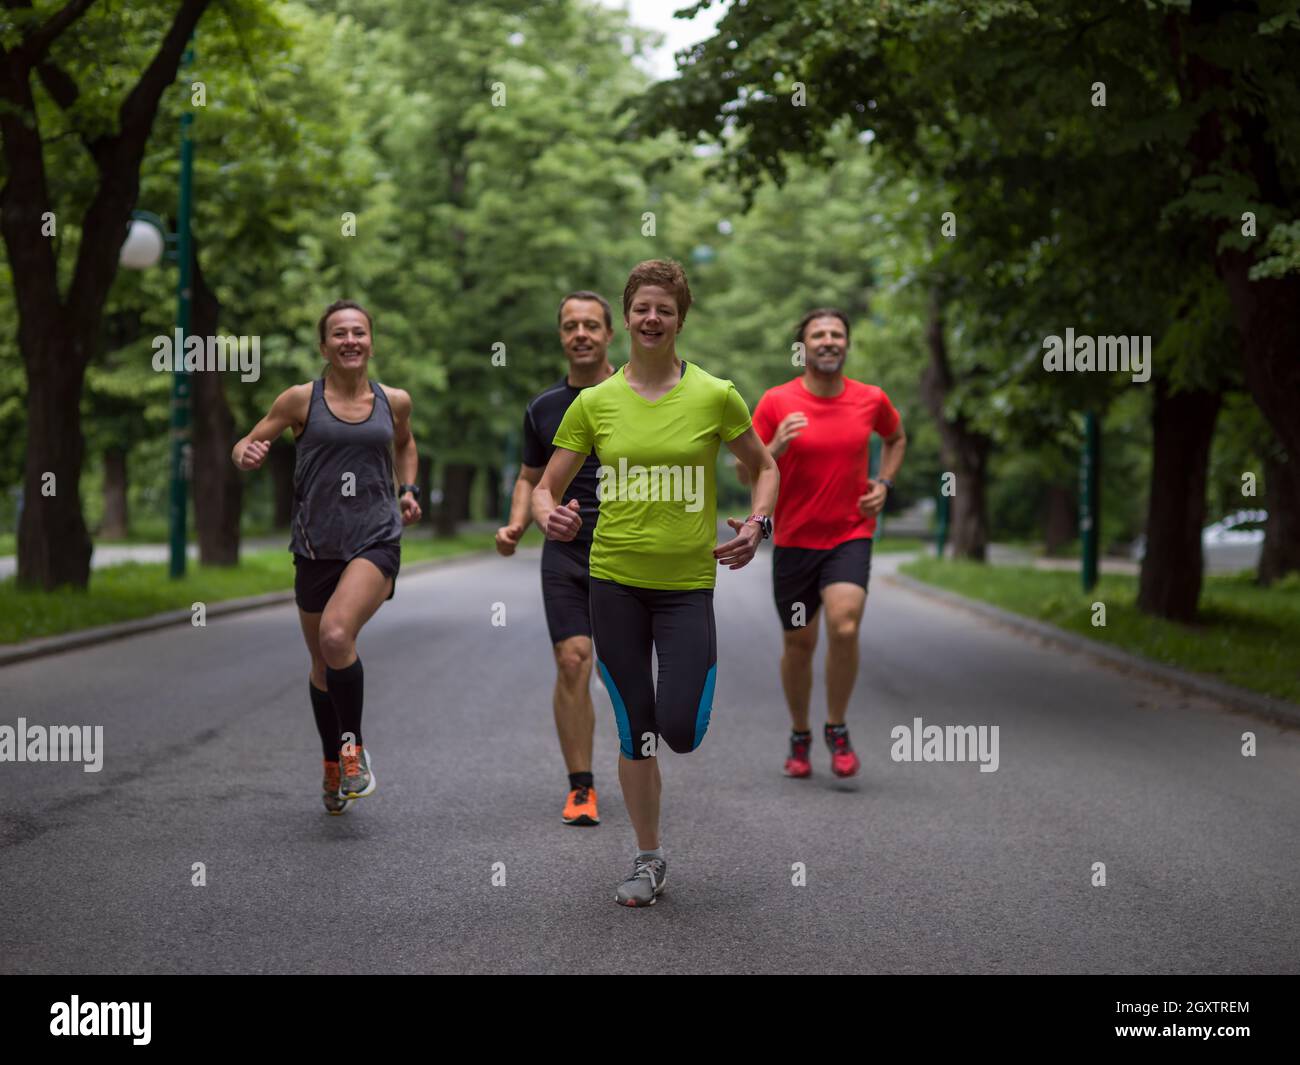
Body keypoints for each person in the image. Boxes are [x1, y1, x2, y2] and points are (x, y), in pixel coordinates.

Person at [532, 260, 778, 906]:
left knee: (680, 728)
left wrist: (759, 523)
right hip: (612, 581)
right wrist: (547, 516)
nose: (650, 318)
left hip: (687, 586)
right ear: (629, 314)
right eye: (641, 307)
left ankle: (658, 810)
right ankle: (648, 857)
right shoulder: (595, 403)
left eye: (663, 310)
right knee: (636, 726)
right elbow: (545, 485)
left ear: (679, 319)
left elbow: (763, 465)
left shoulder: (715, 394)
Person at [231, 299, 421, 814]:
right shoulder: (299, 400)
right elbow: (250, 440)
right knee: (321, 663)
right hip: (316, 545)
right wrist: (246, 452)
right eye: (340, 334)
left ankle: (351, 750)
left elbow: (405, 445)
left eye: (359, 332)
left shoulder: (393, 400)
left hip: (375, 539)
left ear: (371, 342)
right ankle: (331, 765)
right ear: (325, 346)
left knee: (337, 635)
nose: (351, 341)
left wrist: (409, 489)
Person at [745, 307, 906, 779]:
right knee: (799, 642)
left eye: (837, 334)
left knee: (845, 627)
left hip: (849, 534)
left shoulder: (870, 399)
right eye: (819, 334)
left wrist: (886, 483)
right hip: (794, 538)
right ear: (804, 346)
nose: (829, 341)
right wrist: (775, 447)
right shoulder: (776, 402)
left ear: (847, 344)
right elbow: (744, 469)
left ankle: (836, 726)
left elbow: (895, 438)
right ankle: (800, 733)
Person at [496, 291, 616, 826]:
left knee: (626, 670)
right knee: (572, 660)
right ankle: (581, 786)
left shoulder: (635, 395)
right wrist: (521, 521)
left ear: (610, 334)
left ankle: (641, 765)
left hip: (629, 551)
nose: (581, 333)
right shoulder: (542, 408)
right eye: (571, 325)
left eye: (591, 324)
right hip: (565, 551)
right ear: (562, 336)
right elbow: (529, 478)